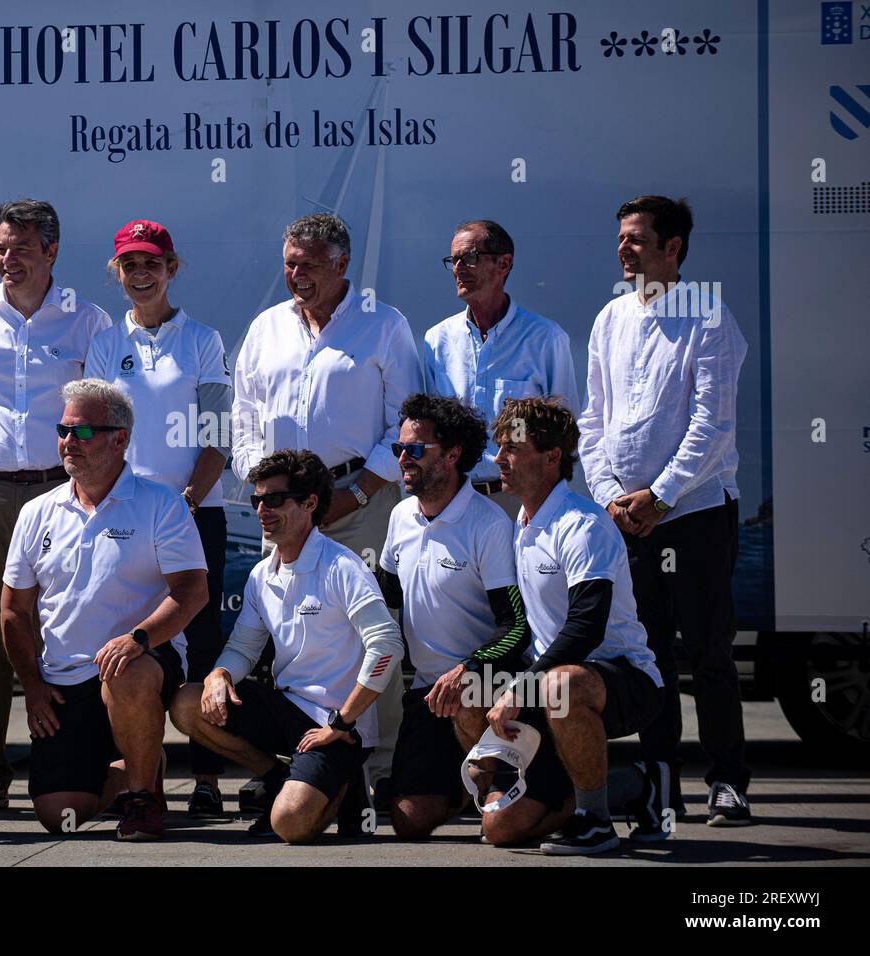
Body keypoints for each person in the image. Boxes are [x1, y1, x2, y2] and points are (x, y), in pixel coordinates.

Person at [230, 212, 422, 795]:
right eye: (289, 263)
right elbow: (242, 419)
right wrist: (260, 485)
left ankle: (380, 770)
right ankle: (301, 767)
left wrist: (359, 490)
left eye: (309, 264)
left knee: (374, 633)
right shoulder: (265, 328)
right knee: (286, 635)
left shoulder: (384, 325)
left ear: (342, 263)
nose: (296, 275)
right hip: (283, 510)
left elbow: (405, 421)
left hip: (357, 502)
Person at [576, 195, 751, 827]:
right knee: (647, 653)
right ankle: (661, 786)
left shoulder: (708, 316)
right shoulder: (609, 319)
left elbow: (713, 423)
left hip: (695, 512)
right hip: (625, 516)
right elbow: (593, 420)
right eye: (620, 238)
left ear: (673, 249)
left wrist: (662, 495)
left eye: (637, 240)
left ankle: (728, 781)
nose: (624, 249)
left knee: (708, 650)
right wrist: (608, 497)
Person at [0, 199, 111, 813]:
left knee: (70, 625)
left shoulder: (88, 321)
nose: (6, 259)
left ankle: (82, 762)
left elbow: (100, 409)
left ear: (51, 251)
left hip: (63, 491)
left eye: (18, 248)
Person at [1, 379, 209, 841]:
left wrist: (140, 639)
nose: (68, 441)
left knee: (125, 672)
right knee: (60, 817)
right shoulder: (36, 513)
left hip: (142, 662)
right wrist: (32, 685)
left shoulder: (162, 504)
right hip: (63, 681)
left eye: (82, 431)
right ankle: (130, 767)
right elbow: (14, 611)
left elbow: (192, 590)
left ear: (120, 438)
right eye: (63, 430)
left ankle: (141, 798)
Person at [170, 450, 404, 845]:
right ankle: (280, 778)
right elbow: (243, 648)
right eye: (256, 500)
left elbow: (387, 645)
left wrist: (343, 723)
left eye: (274, 499)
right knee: (187, 703)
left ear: (310, 503)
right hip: (288, 710)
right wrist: (218, 676)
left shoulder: (342, 566)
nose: (262, 509)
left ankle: (344, 784)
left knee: (289, 825)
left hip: (338, 727)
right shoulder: (262, 573)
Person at [84, 219, 232, 817]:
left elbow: (217, 438)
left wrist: (185, 504)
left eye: (152, 263)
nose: (141, 275)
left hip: (195, 512)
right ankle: (141, 766)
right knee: (127, 640)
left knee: (201, 643)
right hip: (124, 518)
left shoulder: (203, 340)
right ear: (117, 273)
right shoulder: (103, 342)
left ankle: (208, 777)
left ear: (172, 269)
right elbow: (91, 431)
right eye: (129, 265)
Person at [481, 397, 664, 854]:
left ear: (550, 457)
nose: (499, 459)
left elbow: (586, 628)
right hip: (553, 690)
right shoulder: (523, 524)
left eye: (511, 449)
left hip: (625, 679)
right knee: (500, 830)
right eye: (498, 447)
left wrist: (520, 688)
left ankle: (595, 821)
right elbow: (528, 627)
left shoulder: (583, 524)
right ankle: (630, 784)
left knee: (561, 683)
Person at [376, 395, 529, 840]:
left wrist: (469, 670)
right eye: (398, 449)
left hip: (483, 687)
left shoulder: (488, 524)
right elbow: (382, 595)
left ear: (453, 454)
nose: (403, 458)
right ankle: (465, 791)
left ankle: (507, 785)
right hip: (426, 695)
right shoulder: (401, 516)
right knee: (407, 821)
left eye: (416, 450)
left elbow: (516, 624)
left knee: (502, 826)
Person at [422, 220, 579, 519]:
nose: (458, 268)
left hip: (521, 501)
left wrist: (545, 509)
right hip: (454, 500)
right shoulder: (437, 340)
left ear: (504, 264)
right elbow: (431, 430)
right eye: (453, 260)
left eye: (469, 257)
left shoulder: (545, 339)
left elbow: (567, 433)